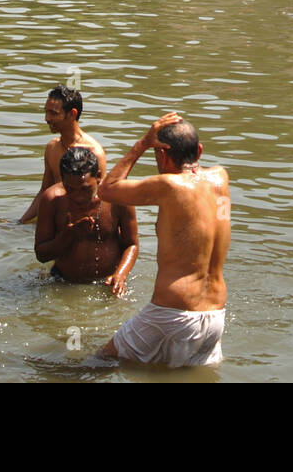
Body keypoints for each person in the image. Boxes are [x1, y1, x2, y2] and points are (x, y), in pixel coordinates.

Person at [98, 113, 229, 368]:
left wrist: (143, 143)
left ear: (162, 155)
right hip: (215, 316)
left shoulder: (169, 186)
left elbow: (106, 189)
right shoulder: (221, 178)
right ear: (199, 151)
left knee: (99, 362)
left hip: (173, 314)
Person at [34, 146, 139, 295]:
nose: (78, 197)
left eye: (85, 189)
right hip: (64, 283)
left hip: (108, 283)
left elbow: (132, 244)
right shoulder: (52, 200)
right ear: (62, 180)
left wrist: (121, 274)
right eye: (70, 189)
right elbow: (41, 255)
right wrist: (69, 235)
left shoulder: (118, 197)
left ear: (98, 176)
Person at [19, 85, 107, 224]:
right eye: (46, 112)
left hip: (84, 223)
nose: (46, 118)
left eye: (53, 113)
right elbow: (44, 191)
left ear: (72, 114)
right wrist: (20, 222)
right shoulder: (52, 148)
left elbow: (100, 197)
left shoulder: (94, 152)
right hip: (56, 220)